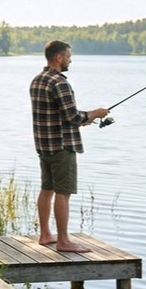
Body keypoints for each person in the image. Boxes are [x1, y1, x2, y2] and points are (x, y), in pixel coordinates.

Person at [29, 40, 110, 254]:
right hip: (62, 147)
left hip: (44, 146)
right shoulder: (60, 83)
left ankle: (45, 234)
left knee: (47, 189)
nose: (70, 60)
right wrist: (93, 114)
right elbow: (73, 116)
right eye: (68, 56)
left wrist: (85, 119)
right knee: (63, 193)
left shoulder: (38, 80)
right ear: (58, 58)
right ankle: (64, 241)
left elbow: (59, 114)